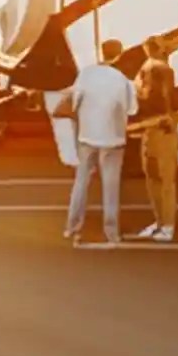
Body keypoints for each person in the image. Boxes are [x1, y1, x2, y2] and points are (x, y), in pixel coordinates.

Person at [60, 38, 137, 244]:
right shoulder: (122, 79)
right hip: (113, 139)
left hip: (87, 136)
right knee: (111, 187)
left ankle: (72, 226)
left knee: (81, 182)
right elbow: (132, 109)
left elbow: (74, 102)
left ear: (101, 52)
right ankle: (111, 231)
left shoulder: (86, 74)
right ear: (120, 54)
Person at [134, 35, 178, 242]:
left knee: (160, 178)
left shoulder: (156, 68)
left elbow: (164, 96)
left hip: (157, 126)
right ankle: (161, 222)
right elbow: (167, 96)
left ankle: (166, 224)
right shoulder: (157, 67)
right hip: (154, 127)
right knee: (156, 177)